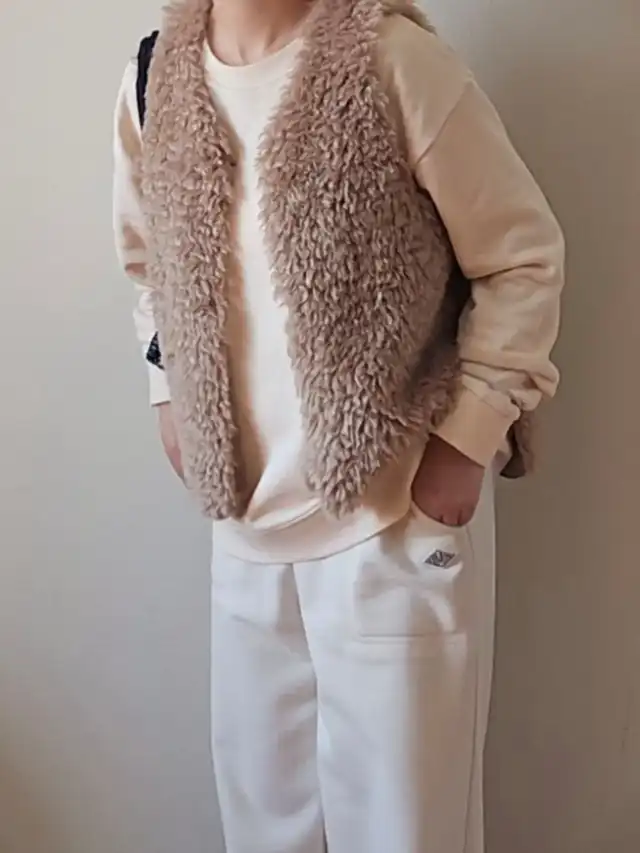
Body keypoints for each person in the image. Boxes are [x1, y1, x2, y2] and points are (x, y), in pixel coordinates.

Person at [113, 0, 564, 850]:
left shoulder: (392, 61)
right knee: (263, 823)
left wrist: (468, 437)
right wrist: (168, 391)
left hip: (391, 521)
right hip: (245, 531)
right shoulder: (154, 77)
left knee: (405, 826)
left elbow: (523, 259)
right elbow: (147, 261)